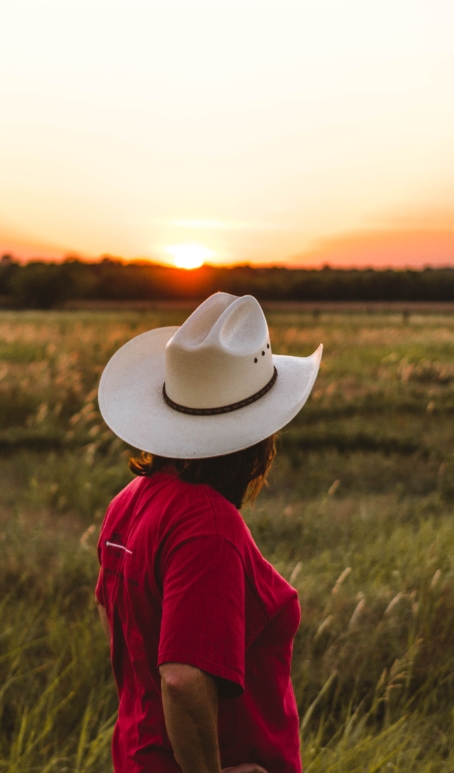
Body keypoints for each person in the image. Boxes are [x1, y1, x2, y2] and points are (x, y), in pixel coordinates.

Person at [95, 292, 323, 773]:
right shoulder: (209, 527)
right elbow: (180, 677)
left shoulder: (130, 500)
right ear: (259, 433)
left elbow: (113, 617)